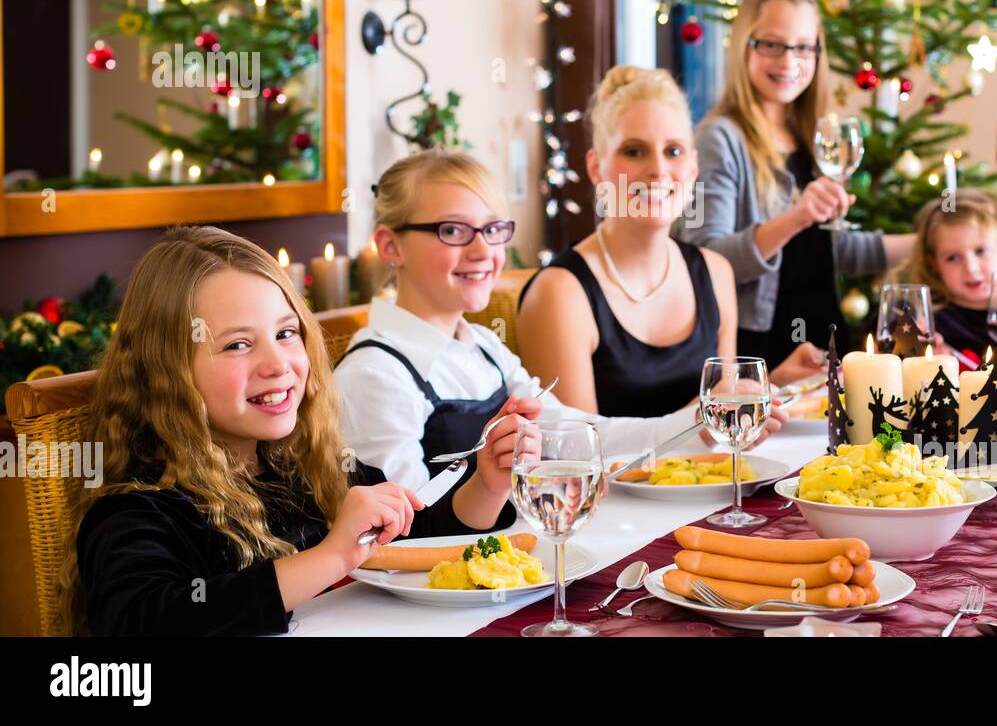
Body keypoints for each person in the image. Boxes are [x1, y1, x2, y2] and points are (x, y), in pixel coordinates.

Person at [64, 227, 526, 636]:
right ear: (166, 369)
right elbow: (146, 619)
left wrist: (486, 483)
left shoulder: (308, 468)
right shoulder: (137, 507)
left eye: (286, 334)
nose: (277, 364)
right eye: (238, 344)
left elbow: (417, 538)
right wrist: (331, 557)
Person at [336, 149, 781, 481]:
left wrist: (705, 421)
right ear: (391, 246)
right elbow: (404, 525)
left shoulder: (483, 346)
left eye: (492, 230)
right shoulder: (376, 374)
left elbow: (579, 435)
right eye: (453, 230)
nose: (482, 251)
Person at [516, 65, 813, 418]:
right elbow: (575, 458)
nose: (658, 170)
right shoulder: (560, 294)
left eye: (673, 151)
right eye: (634, 151)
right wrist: (702, 416)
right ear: (596, 168)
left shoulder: (716, 274)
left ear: (692, 167)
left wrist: (772, 385)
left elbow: (726, 420)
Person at [679, 0, 913, 367]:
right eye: (772, 44)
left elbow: (829, 248)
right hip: (761, 353)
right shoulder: (718, 139)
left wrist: (928, 244)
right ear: (744, 46)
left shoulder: (812, 135)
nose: (789, 61)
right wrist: (797, 217)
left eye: (803, 47)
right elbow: (708, 261)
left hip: (825, 338)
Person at [889, 189, 997, 367]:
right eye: (952, 258)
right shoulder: (926, 325)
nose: (970, 268)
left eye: (981, 251)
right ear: (934, 264)